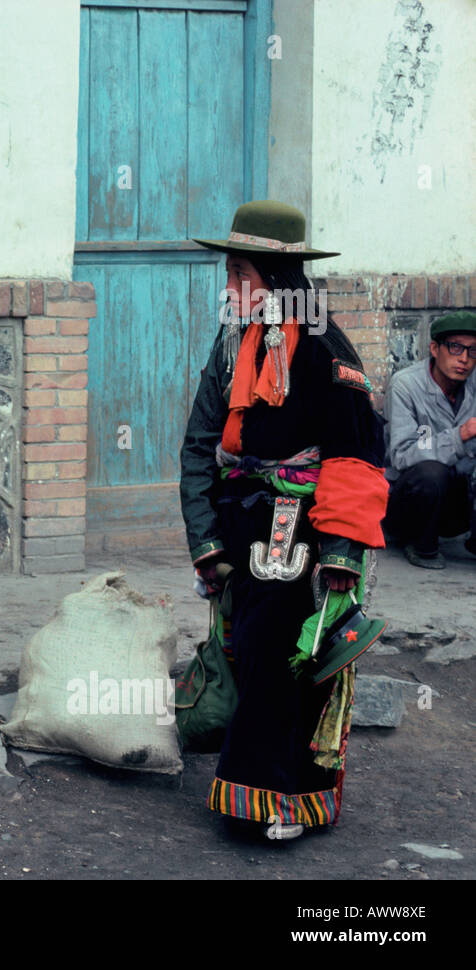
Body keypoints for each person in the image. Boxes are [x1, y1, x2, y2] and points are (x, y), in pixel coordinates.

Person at [180, 201, 388, 839]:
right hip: (244, 523)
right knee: (248, 649)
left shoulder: (327, 351)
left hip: (306, 532)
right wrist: (208, 543)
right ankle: (259, 790)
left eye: (242, 274)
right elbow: (199, 445)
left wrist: (342, 557)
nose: (231, 288)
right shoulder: (232, 347)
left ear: (279, 278)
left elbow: (357, 455)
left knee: (290, 656)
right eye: (230, 272)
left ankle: (282, 798)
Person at [382, 311, 476, 568]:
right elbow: (402, 455)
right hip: (409, 502)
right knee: (431, 472)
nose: (464, 359)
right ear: (435, 348)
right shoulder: (405, 385)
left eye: (473, 351)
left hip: (458, 503)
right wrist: (460, 435)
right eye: (455, 348)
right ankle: (421, 546)